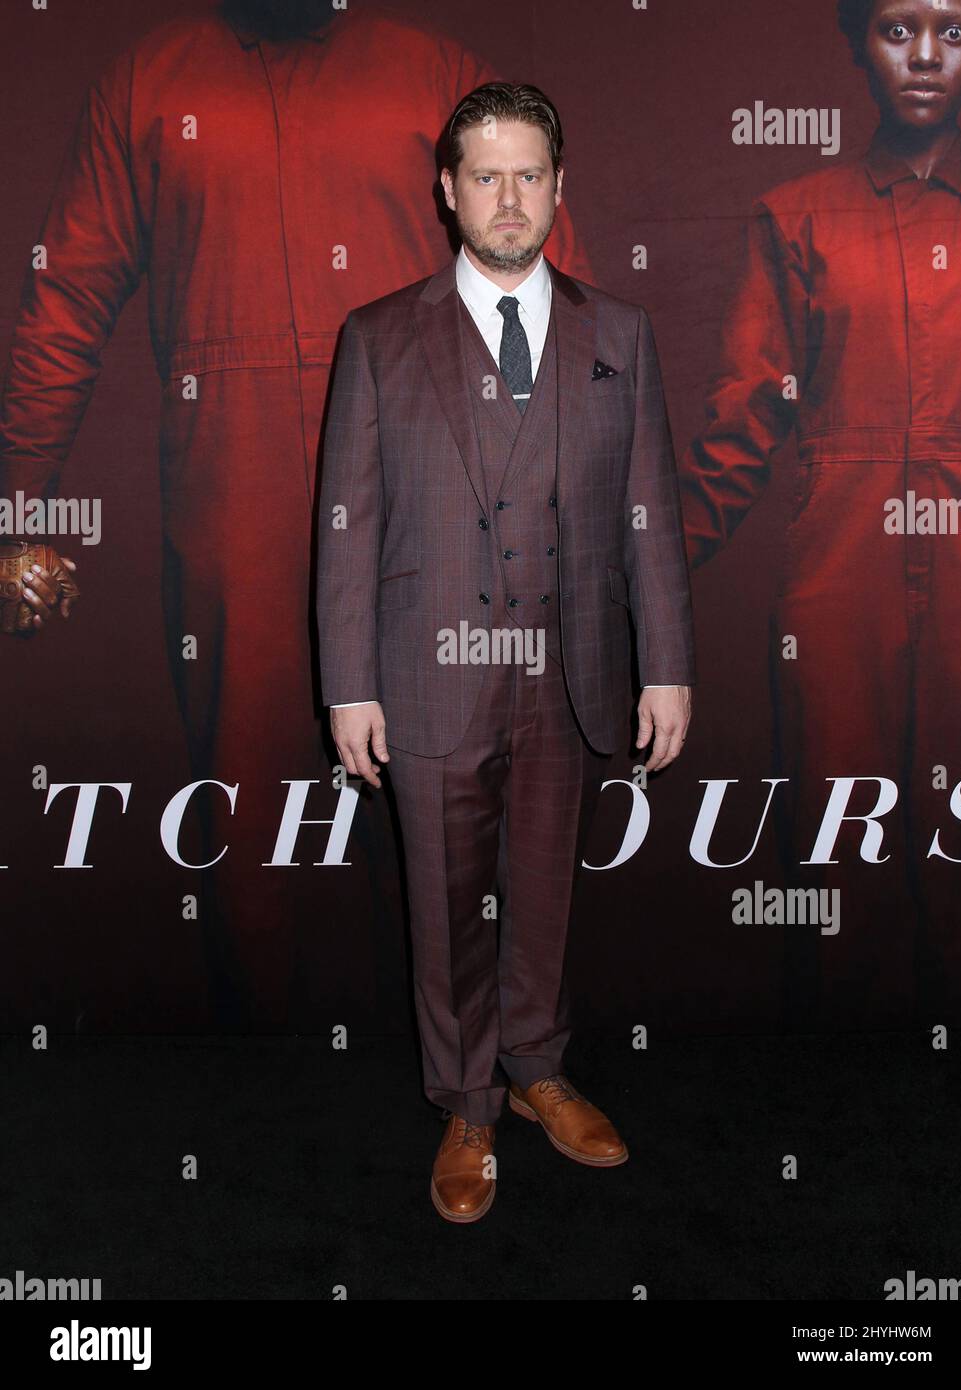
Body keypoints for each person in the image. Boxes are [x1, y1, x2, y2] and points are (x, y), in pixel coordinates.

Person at [0, 0, 591, 1030]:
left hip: (430, 479)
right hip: (230, 485)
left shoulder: (429, 71)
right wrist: (20, 505)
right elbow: (67, 301)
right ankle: (269, 1082)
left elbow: (544, 288)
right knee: (249, 793)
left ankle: (466, 1071)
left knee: (442, 780)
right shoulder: (150, 83)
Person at [317, 82, 695, 1222]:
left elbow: (650, 513)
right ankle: (469, 1101)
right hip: (428, 675)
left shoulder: (619, 333)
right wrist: (348, 685)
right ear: (446, 191)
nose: (509, 197)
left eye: (529, 173)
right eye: (485, 174)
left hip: (571, 673)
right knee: (444, 905)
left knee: (540, 895)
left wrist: (665, 662)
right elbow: (347, 524)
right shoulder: (378, 338)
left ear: (560, 187)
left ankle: (535, 1067)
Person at [679, 0, 961, 1024]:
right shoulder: (795, 212)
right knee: (836, 819)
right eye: (898, 29)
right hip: (838, 557)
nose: (927, 55)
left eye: (955, 27)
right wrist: (643, 574)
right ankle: (838, 1100)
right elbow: (739, 423)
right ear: (855, 42)